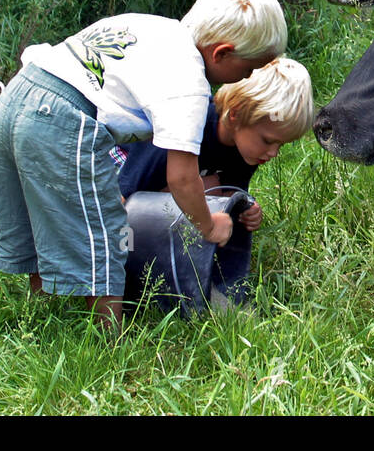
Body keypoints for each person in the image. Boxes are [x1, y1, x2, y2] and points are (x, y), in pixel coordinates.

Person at [0, 0, 287, 329]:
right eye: (248, 69)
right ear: (221, 54)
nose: (244, 79)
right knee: (107, 231)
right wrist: (209, 225)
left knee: (36, 214)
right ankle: (108, 340)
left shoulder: (151, 26)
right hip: (65, 118)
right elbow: (181, 178)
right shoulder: (190, 82)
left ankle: (39, 314)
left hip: (19, 93)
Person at [118, 58, 314, 312]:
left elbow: (229, 196)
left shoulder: (246, 149)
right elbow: (124, 197)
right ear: (235, 115)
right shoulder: (187, 125)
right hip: (119, 164)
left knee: (210, 185)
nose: (274, 153)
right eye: (268, 141)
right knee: (200, 183)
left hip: (164, 194)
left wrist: (247, 210)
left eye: (282, 145)